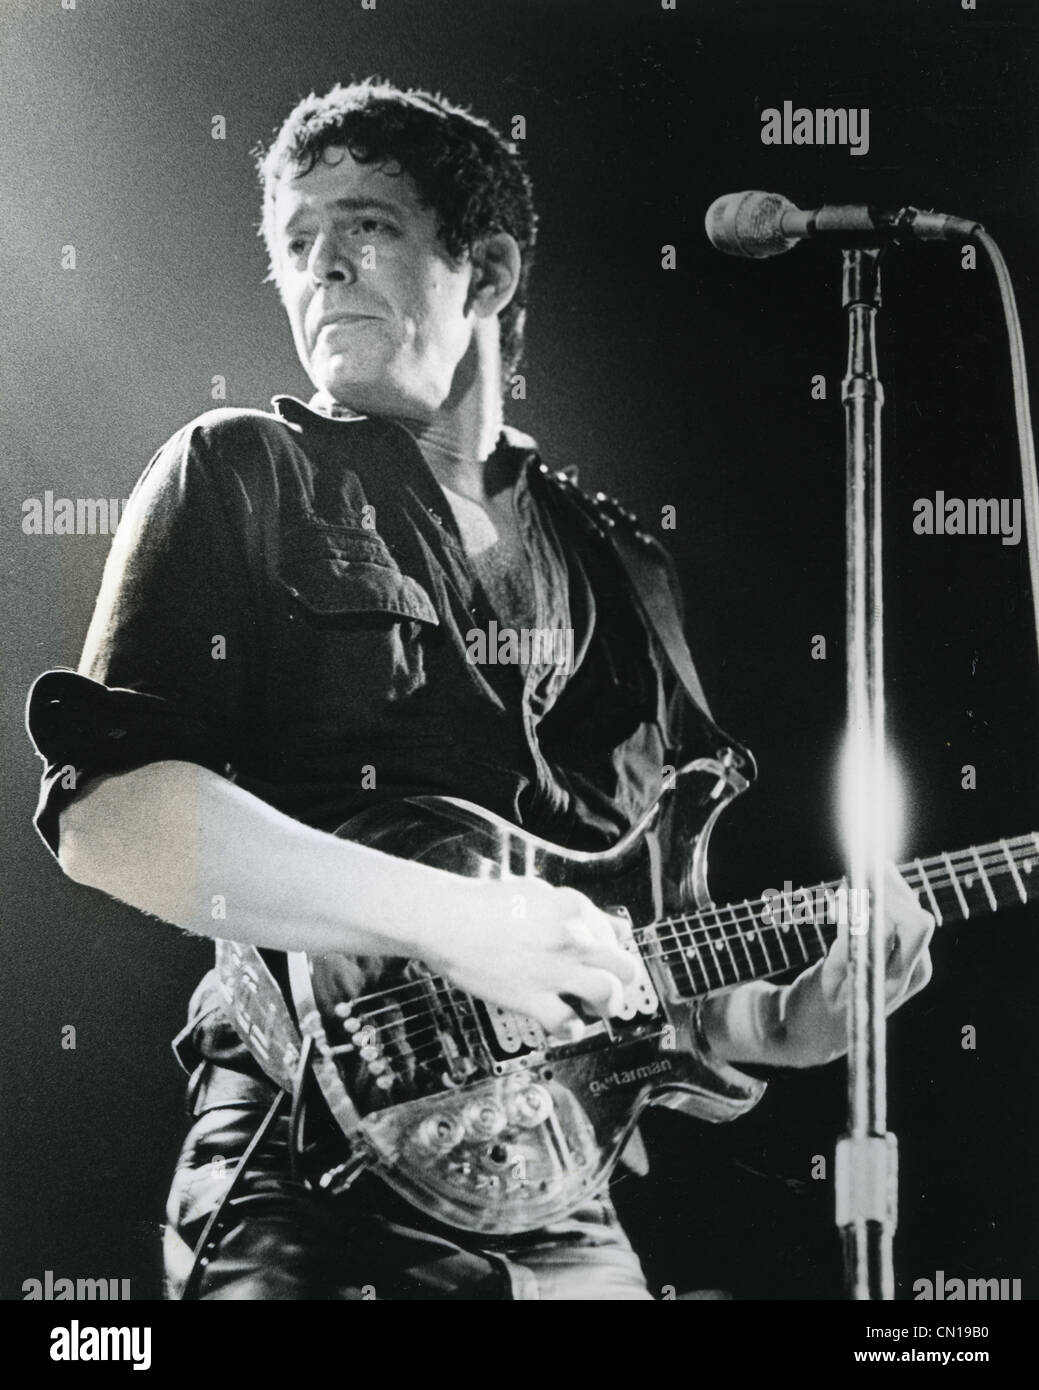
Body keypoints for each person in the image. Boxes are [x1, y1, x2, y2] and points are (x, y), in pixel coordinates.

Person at [26, 79, 933, 1301]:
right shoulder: (238, 470)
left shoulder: (626, 566)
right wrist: (456, 920)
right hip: (305, 1160)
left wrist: (784, 1020)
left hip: (561, 1190)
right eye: (295, 244)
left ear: (489, 269)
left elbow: (642, 950)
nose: (321, 267)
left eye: (367, 226)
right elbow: (107, 818)